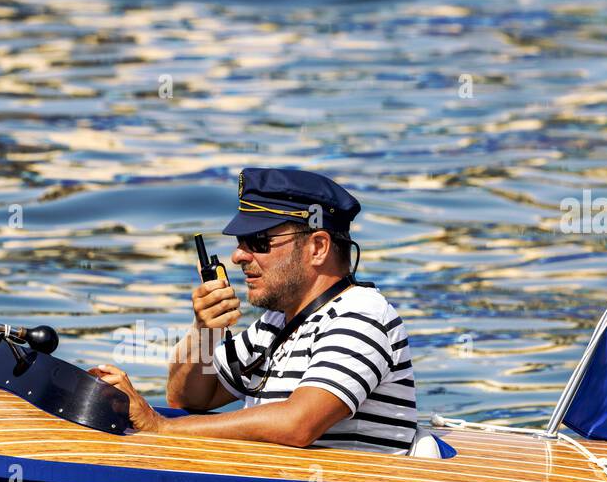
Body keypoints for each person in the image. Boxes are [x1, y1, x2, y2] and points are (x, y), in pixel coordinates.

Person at [89, 168, 417, 453]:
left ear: (317, 247)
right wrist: (204, 331)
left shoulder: (360, 314)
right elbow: (189, 399)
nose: (238, 256)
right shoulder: (278, 321)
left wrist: (163, 428)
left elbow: (298, 424)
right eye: (240, 241)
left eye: (258, 241)